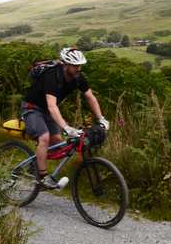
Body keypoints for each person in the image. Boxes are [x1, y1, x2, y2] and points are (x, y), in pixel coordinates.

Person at [20, 47, 109, 189]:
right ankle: (42, 178)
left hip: (48, 110)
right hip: (32, 108)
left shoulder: (78, 77)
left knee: (58, 142)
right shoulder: (52, 76)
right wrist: (66, 127)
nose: (78, 68)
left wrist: (101, 118)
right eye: (75, 65)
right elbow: (52, 106)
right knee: (44, 137)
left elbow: (90, 97)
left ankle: (35, 164)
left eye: (80, 65)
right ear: (65, 64)